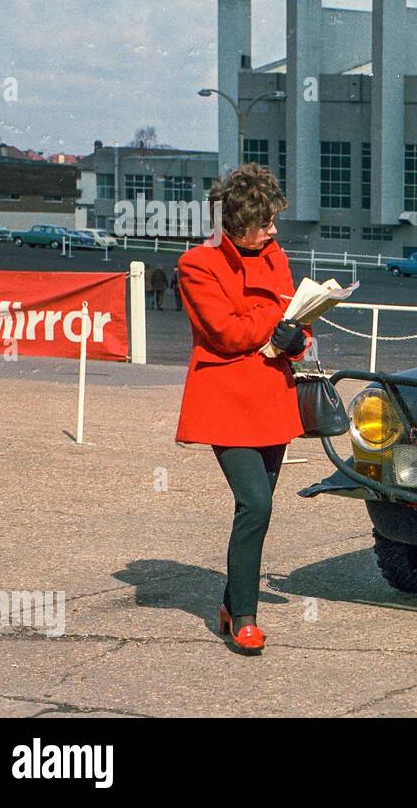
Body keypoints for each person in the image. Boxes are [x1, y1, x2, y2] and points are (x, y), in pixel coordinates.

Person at [174, 163, 311, 655]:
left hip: (272, 396)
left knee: (255, 510)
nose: (274, 230)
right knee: (256, 503)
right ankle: (245, 621)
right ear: (237, 222)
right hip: (226, 402)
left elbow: (296, 321)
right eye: (266, 221)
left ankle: (233, 603)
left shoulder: (275, 255)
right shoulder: (197, 263)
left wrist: (297, 337)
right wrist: (278, 316)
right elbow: (225, 333)